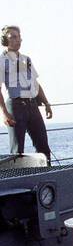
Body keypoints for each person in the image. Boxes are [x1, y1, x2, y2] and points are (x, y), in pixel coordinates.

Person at [0, 26, 53, 162]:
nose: (18, 40)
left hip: (32, 105)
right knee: (18, 152)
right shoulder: (2, 61)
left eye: (19, 37)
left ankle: (48, 178)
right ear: (5, 39)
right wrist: (5, 113)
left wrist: (46, 102)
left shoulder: (26, 59)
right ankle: (17, 181)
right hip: (15, 106)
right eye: (13, 37)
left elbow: (35, 83)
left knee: (43, 147)